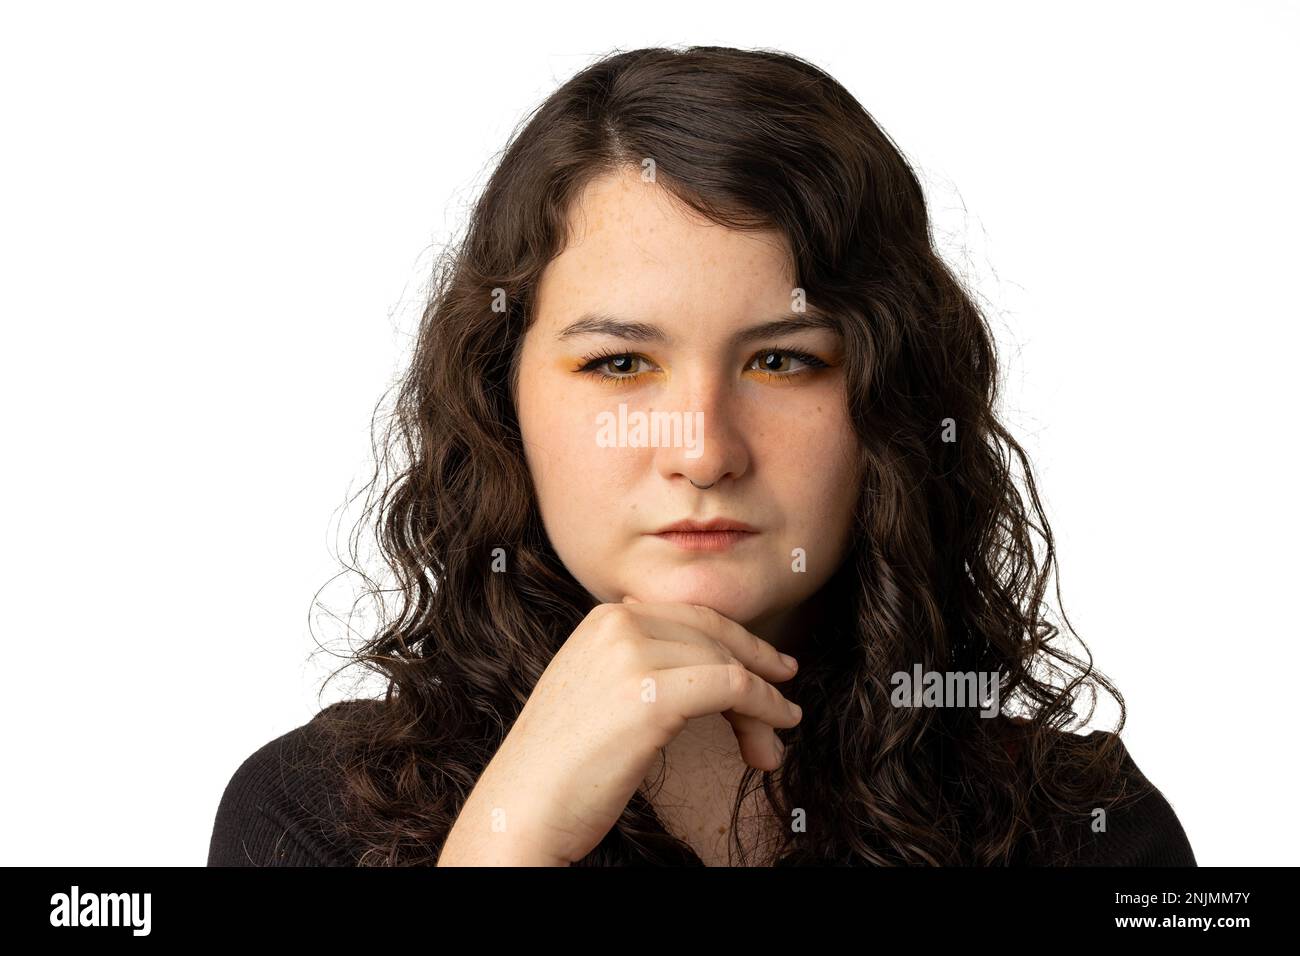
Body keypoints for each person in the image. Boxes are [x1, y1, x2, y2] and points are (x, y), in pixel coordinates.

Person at [207, 45, 1195, 867]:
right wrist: (506, 843)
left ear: (886, 403)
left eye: (780, 359)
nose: (703, 449)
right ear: (502, 398)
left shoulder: (1086, 827)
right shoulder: (311, 817)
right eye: (620, 361)